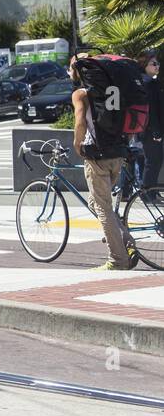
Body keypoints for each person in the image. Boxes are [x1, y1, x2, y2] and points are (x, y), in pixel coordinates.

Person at [70, 56, 138, 271]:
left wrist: (76, 143)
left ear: (78, 71)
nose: (69, 73)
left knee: (102, 208)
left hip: (97, 156)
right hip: (116, 152)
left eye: (70, 68)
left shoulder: (81, 94)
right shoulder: (114, 89)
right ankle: (126, 243)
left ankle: (117, 259)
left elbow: (80, 120)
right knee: (97, 203)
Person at [138, 49, 162, 190]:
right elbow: (151, 110)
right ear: (145, 65)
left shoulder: (148, 82)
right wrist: (156, 132)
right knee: (153, 161)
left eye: (157, 63)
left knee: (153, 161)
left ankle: (150, 191)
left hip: (147, 128)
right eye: (154, 64)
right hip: (150, 129)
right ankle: (148, 193)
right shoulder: (148, 84)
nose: (157, 66)